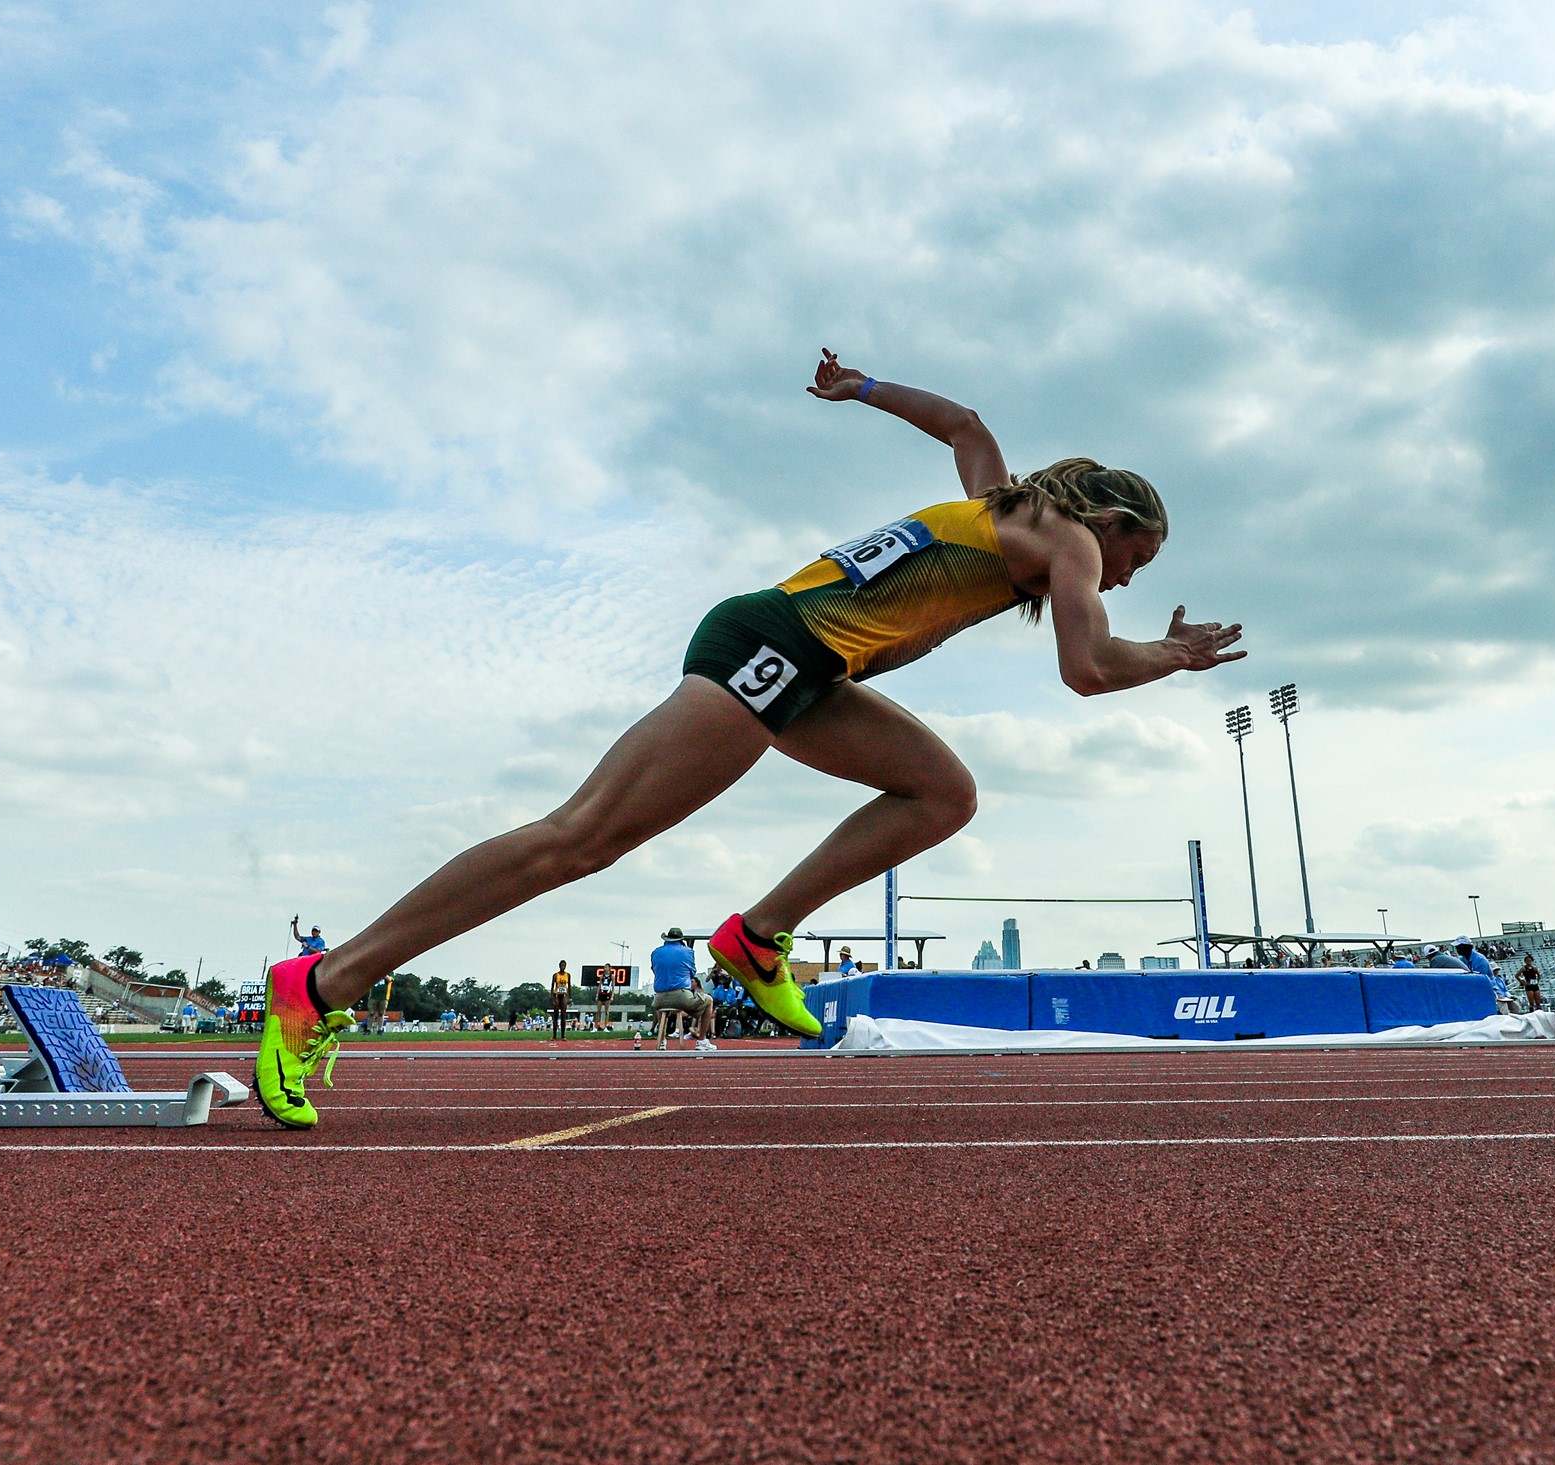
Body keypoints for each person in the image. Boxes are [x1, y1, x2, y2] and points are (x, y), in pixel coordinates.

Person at [250, 349, 1246, 1127]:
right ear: (1109, 520)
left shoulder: (998, 498)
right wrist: (1171, 656)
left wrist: (862, 387)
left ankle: (755, 936)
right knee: (582, 837)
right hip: (772, 649)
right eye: (1134, 557)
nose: (1119, 579)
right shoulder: (1067, 538)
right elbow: (1088, 667)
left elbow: (965, 422)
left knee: (944, 794)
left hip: (809, 665)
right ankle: (322, 983)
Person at [548, 960, 574, 1040]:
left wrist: (570, 998)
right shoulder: (555, 975)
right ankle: (554, 1035)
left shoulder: (568, 975)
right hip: (557, 995)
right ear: (559, 966)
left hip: (564, 995)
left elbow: (569, 986)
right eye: (561, 965)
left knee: (563, 1015)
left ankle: (563, 1035)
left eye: (564, 965)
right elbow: (552, 986)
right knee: (555, 1015)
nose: (563, 967)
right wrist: (552, 998)